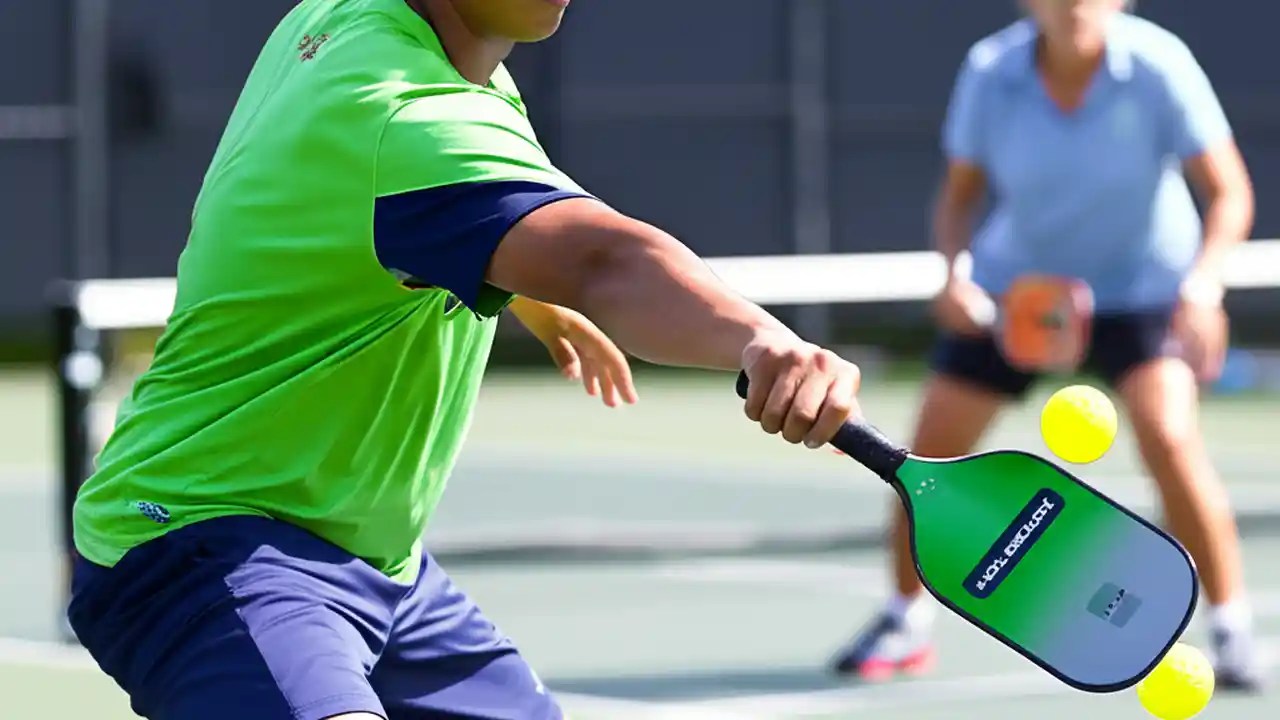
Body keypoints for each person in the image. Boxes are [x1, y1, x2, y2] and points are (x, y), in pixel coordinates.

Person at [65, 1, 864, 719]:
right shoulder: (404, 110)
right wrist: (765, 341)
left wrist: (530, 297)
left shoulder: (365, 28)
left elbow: (391, 212)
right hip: (205, 543)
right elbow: (601, 261)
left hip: (378, 563)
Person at [830, 0, 1263, 691]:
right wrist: (955, 274)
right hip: (1020, 294)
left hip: (1143, 292)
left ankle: (1233, 627)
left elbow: (1229, 191)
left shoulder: (1159, 64)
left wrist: (1204, 285)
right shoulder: (990, 71)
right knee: (931, 448)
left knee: (1170, 438)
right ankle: (904, 620)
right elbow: (957, 197)